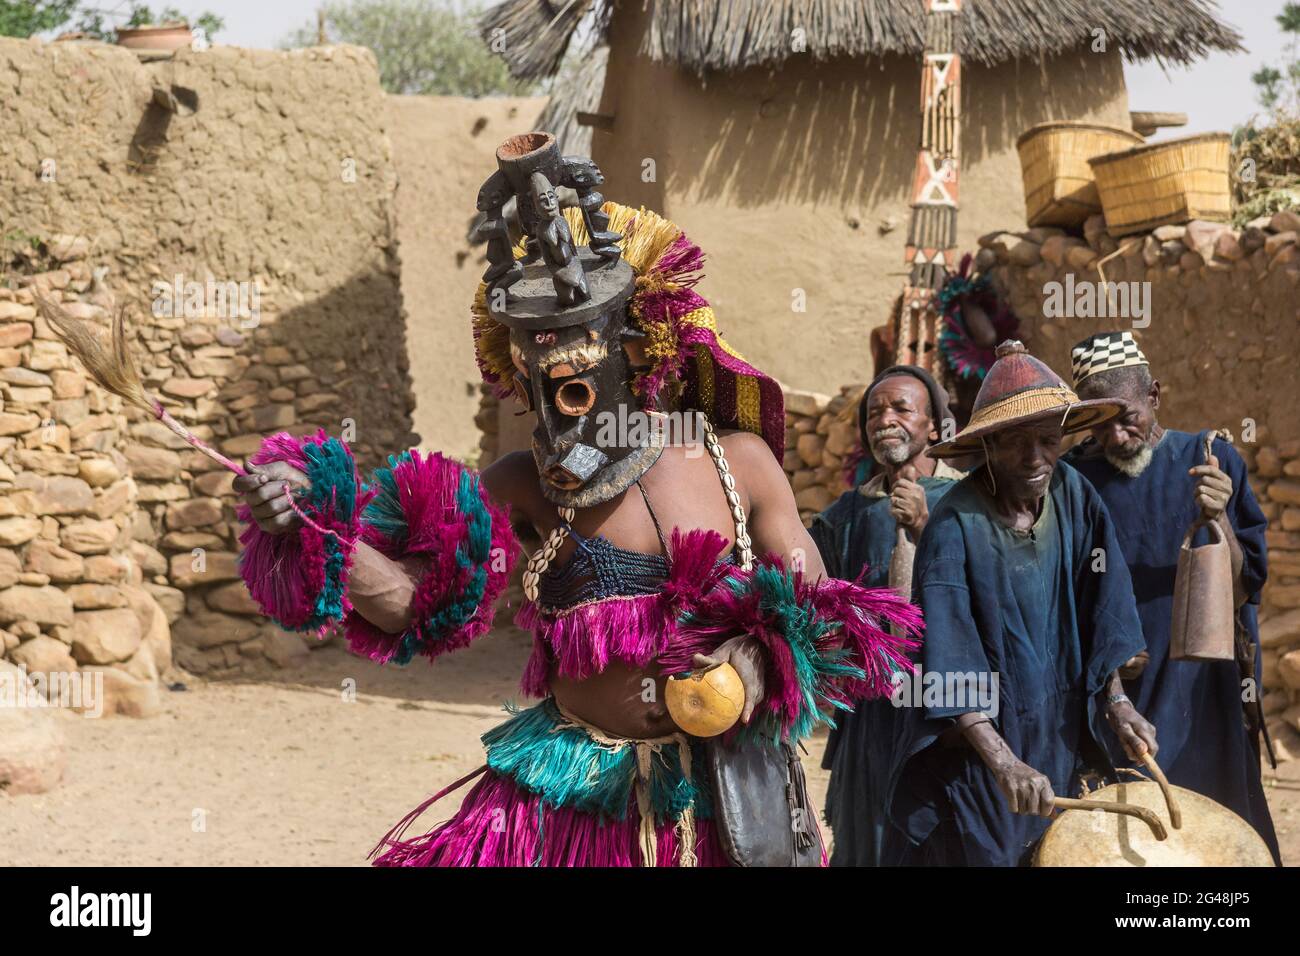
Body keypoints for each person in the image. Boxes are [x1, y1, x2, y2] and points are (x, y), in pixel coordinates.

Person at [232, 133, 920, 867]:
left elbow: (829, 611)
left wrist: (759, 656)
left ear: (636, 346)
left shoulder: (737, 464)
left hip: (728, 805)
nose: (562, 403)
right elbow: (416, 602)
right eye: (542, 372)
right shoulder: (521, 487)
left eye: (579, 367)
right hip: (576, 807)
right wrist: (320, 526)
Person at [886, 340, 1159, 866]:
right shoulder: (954, 526)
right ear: (986, 446)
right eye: (1014, 443)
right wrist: (1003, 761)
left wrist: (1118, 702)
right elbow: (948, 660)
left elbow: (1103, 611)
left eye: (1047, 439)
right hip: (982, 749)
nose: (1035, 458)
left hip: (1061, 733)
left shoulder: (1076, 495)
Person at [1063, 331, 1280, 863]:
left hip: (1202, 686)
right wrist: (1107, 665)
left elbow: (1243, 587)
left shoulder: (1209, 457)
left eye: (1128, 416)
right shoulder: (1072, 479)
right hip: (1115, 689)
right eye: (1100, 422)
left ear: (1155, 395)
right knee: (1126, 833)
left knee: (1217, 823)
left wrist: (1218, 518)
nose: (1115, 436)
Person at [810, 365, 962, 865]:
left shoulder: (968, 503)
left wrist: (926, 523)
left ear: (936, 427)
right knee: (868, 839)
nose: (885, 420)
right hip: (872, 712)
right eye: (874, 412)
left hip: (948, 707)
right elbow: (816, 603)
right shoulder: (844, 517)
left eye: (901, 408)